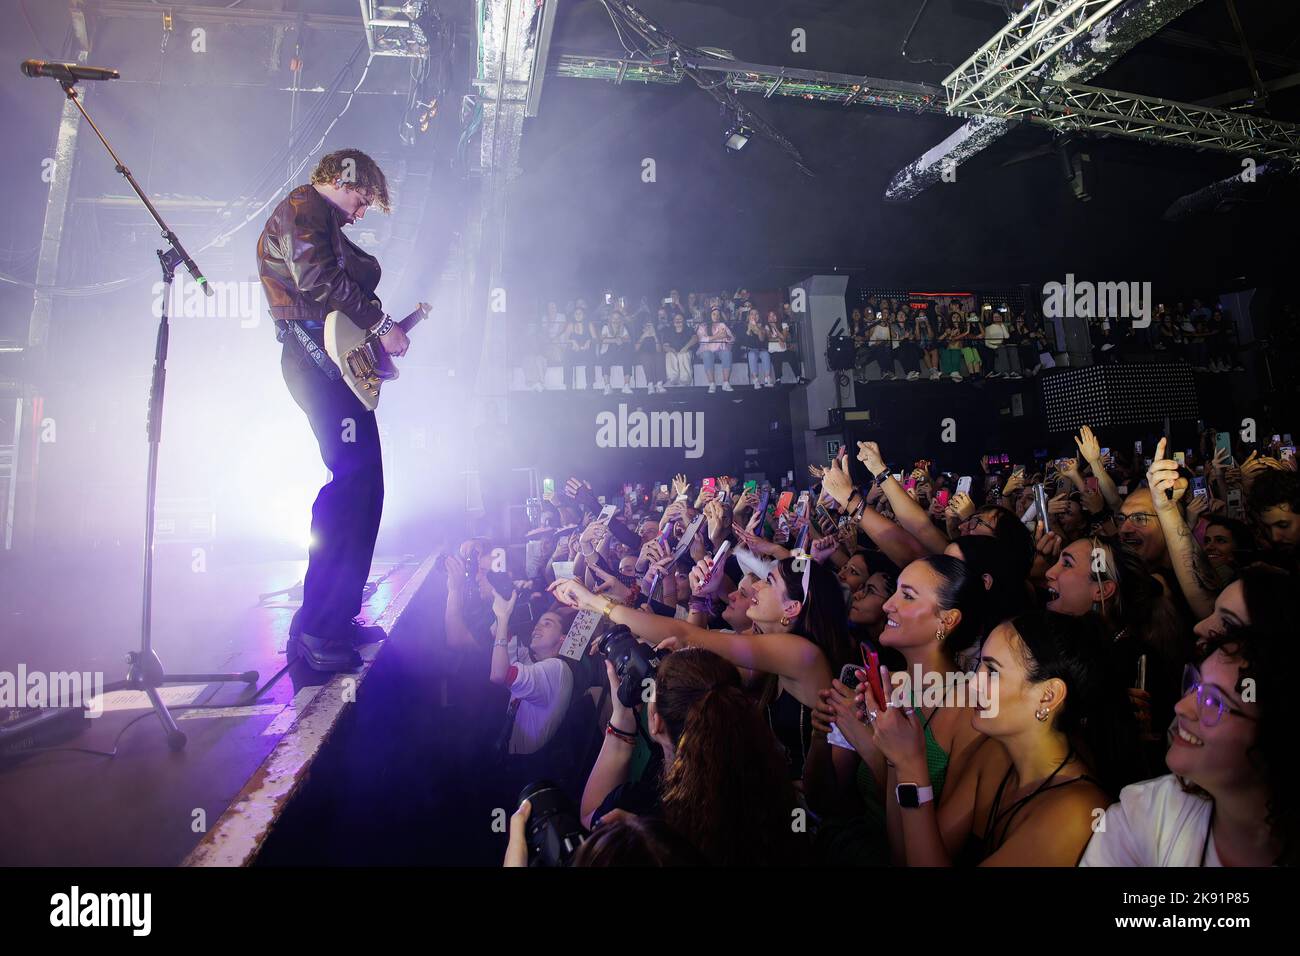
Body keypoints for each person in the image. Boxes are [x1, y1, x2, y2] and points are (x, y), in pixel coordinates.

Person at [258, 148, 410, 671]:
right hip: (315, 363)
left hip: (330, 364)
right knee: (350, 487)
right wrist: (380, 324)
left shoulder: (323, 221)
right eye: (362, 198)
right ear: (343, 180)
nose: (362, 211)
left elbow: (339, 285)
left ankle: (332, 618)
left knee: (365, 487)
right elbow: (317, 280)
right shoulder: (304, 207)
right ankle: (319, 630)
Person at [858, 610, 1147, 865]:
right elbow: (907, 856)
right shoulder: (993, 754)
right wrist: (897, 757)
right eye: (979, 667)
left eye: (992, 672)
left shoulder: (1077, 812)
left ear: (1048, 696)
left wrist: (910, 764)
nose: (973, 683)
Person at [1081, 625, 1290, 866]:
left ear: (1274, 737)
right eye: (1195, 685)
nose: (1181, 707)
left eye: (1214, 701)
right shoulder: (1144, 813)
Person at [579, 646, 806, 865]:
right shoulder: (781, 788)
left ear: (656, 723)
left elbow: (589, 813)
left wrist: (622, 716)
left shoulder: (643, 816)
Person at [696, 308, 736, 393]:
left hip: (720, 350)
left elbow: (732, 339)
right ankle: (712, 383)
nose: (716, 316)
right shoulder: (703, 326)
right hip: (706, 350)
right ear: (709, 315)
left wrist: (727, 336)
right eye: (714, 314)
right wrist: (717, 336)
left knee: (727, 353)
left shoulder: (722, 325)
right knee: (707, 354)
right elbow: (702, 340)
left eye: (718, 314)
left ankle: (726, 383)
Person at [598, 310, 634, 395]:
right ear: (610, 319)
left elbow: (628, 339)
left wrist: (621, 339)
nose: (615, 320)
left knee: (628, 356)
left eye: (618, 318)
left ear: (620, 319)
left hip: (620, 353)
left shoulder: (623, 327)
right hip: (607, 352)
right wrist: (615, 340)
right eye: (614, 318)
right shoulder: (606, 327)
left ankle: (626, 385)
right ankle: (607, 386)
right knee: (606, 358)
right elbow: (603, 340)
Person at [660, 311, 697, 387]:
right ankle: (673, 378)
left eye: (680, 319)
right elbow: (665, 346)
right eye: (676, 319)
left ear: (683, 321)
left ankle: (685, 380)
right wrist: (672, 350)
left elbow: (695, 338)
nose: (678, 321)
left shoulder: (688, 329)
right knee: (669, 354)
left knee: (683, 354)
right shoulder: (669, 331)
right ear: (673, 321)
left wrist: (685, 348)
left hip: (686, 351)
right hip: (673, 352)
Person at [561, 306, 595, 390]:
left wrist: (589, 341)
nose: (578, 315)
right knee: (567, 357)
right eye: (576, 314)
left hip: (586, 350)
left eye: (580, 313)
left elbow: (595, 338)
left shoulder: (589, 324)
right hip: (574, 351)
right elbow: (565, 339)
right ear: (573, 315)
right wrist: (572, 341)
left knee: (590, 357)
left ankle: (590, 384)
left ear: (584, 315)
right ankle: (568, 385)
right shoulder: (571, 325)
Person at [634, 314, 667, 394]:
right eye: (647, 325)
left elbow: (659, 350)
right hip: (642, 354)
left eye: (650, 325)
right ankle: (650, 384)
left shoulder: (656, 333)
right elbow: (635, 349)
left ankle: (659, 384)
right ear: (643, 325)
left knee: (660, 355)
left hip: (655, 353)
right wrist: (643, 336)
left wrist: (655, 336)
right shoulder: (639, 333)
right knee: (646, 357)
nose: (649, 327)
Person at [742, 309, 773, 388]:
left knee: (765, 354)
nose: (754, 316)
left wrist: (757, 328)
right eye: (752, 314)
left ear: (759, 316)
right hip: (750, 350)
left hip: (761, 349)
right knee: (752, 354)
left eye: (756, 314)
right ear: (749, 316)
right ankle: (755, 379)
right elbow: (745, 341)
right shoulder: (744, 326)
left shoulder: (763, 326)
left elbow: (762, 339)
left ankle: (767, 378)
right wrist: (749, 329)